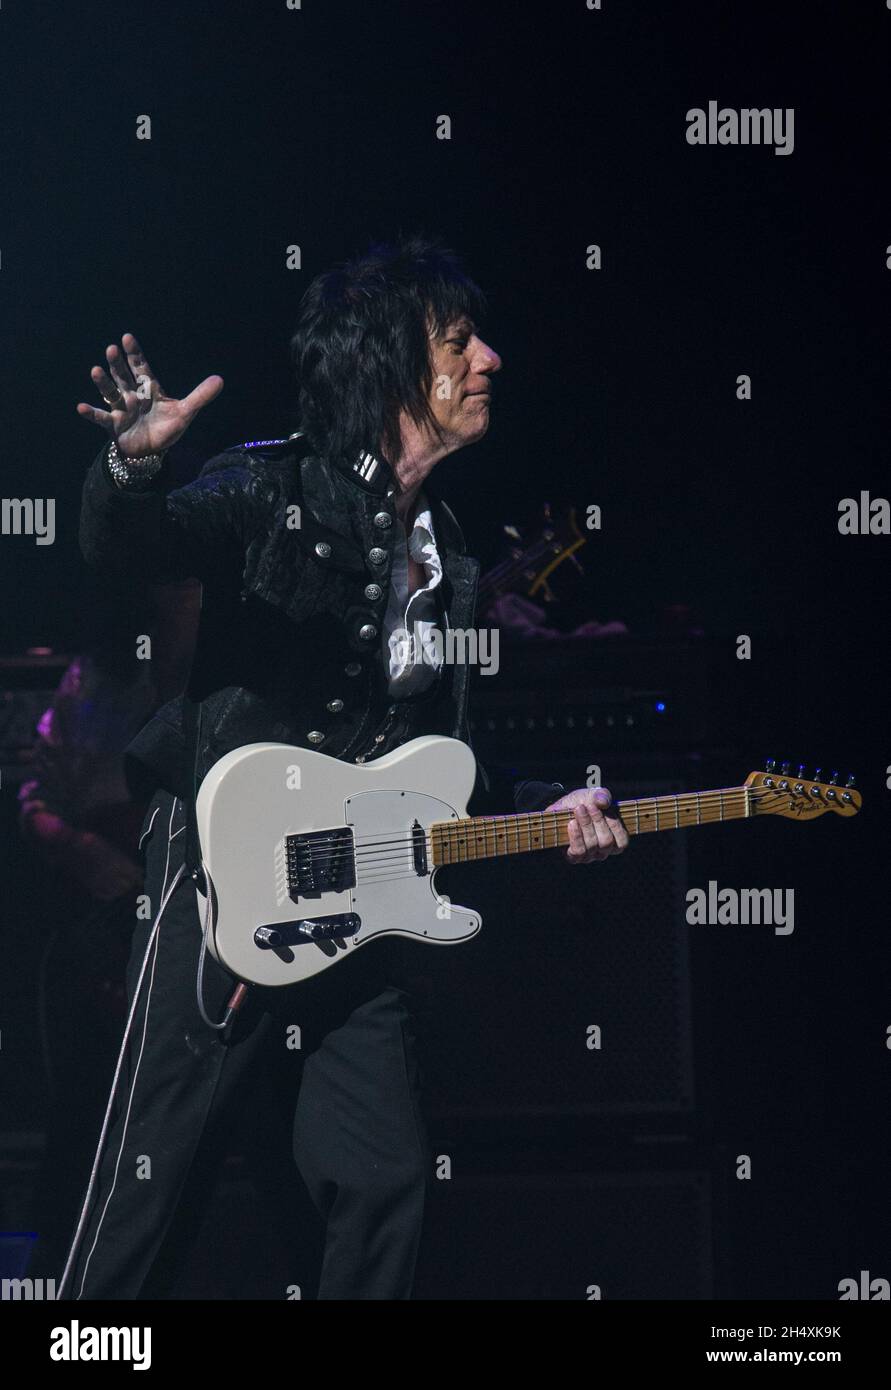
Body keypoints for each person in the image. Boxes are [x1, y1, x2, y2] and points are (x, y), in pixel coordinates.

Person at [65, 235, 629, 1300]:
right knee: (149, 1192)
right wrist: (134, 462)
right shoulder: (270, 488)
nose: (490, 360)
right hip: (219, 881)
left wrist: (541, 808)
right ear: (385, 367)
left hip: (358, 900)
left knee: (385, 1175)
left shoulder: (452, 557)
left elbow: (439, 758)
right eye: (460, 343)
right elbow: (127, 547)